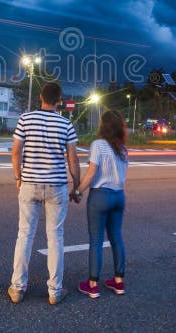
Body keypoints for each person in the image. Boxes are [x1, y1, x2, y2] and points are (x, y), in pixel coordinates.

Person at [8, 81, 81, 305]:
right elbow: (73, 159)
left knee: (25, 235)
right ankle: (54, 290)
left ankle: (18, 288)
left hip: (29, 183)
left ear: (40, 97)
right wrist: (76, 186)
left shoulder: (25, 119)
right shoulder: (65, 124)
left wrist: (19, 178)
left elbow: (15, 153)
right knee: (55, 237)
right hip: (56, 186)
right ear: (59, 101)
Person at [74, 109, 129, 299]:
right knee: (116, 237)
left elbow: (91, 173)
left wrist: (77, 191)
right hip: (119, 196)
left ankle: (93, 285)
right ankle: (119, 282)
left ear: (103, 126)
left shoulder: (98, 145)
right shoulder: (122, 148)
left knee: (96, 241)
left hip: (100, 196)